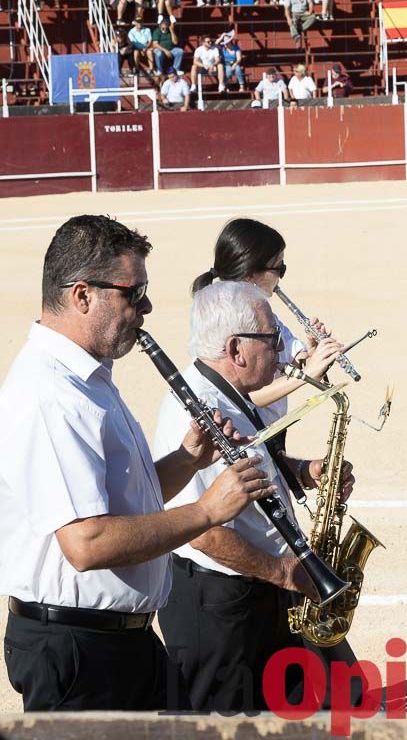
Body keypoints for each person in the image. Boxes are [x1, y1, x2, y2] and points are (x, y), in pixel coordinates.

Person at [0, 214, 274, 712]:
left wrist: (187, 460)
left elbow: (123, 500)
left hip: (120, 644)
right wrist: (206, 511)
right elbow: (86, 542)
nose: (147, 306)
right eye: (133, 293)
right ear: (83, 295)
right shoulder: (49, 396)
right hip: (81, 656)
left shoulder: (85, 378)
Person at [153, 280, 356, 711]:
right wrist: (284, 573)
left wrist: (304, 472)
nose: (283, 349)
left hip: (254, 590)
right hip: (221, 608)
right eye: (272, 339)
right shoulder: (195, 409)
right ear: (236, 349)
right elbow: (201, 532)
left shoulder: (229, 393)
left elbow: (251, 471)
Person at [191, 218, 343, 426]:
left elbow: (292, 363)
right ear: (251, 273)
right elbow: (243, 398)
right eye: (279, 269)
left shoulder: (263, 315)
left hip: (269, 431)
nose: (281, 277)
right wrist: (306, 375)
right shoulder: (223, 320)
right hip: (246, 434)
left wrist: (314, 352)